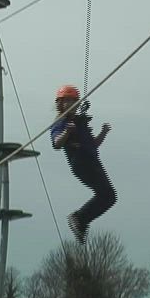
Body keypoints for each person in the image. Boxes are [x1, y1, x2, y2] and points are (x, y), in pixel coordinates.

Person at [50, 84, 116, 244]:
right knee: (106, 194)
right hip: (81, 161)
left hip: (92, 160)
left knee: (110, 197)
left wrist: (103, 133)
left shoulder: (79, 122)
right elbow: (56, 143)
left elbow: (92, 144)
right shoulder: (61, 121)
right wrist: (67, 132)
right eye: (68, 101)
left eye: (74, 101)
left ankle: (81, 221)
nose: (72, 104)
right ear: (60, 103)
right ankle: (79, 218)